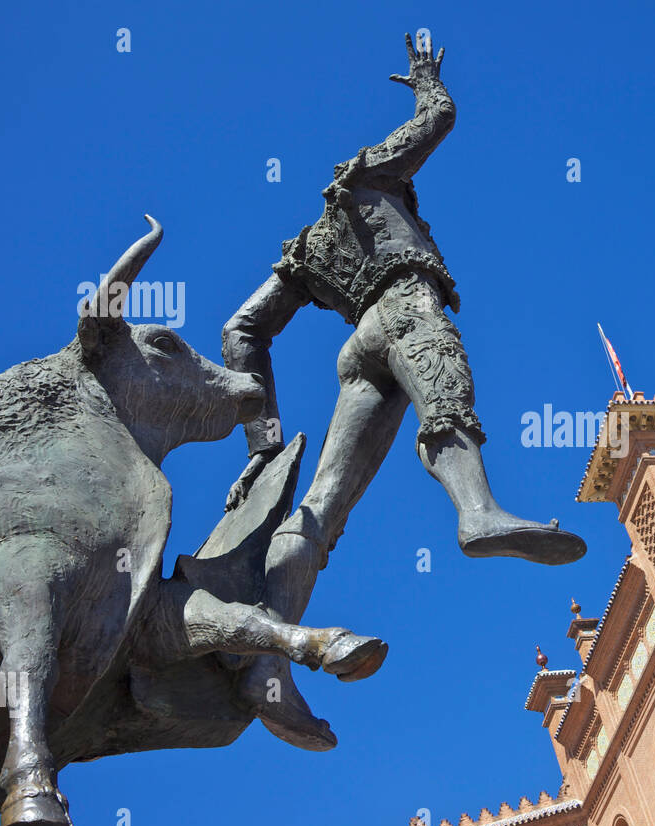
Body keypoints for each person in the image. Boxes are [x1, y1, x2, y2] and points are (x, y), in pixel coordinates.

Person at [221, 33, 585, 750]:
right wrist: (426, 83)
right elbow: (437, 121)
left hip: (358, 351)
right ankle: (476, 513)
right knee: (446, 400)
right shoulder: (369, 181)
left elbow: (241, 332)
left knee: (322, 509)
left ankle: (268, 663)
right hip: (406, 306)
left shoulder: (304, 253)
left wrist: (264, 444)